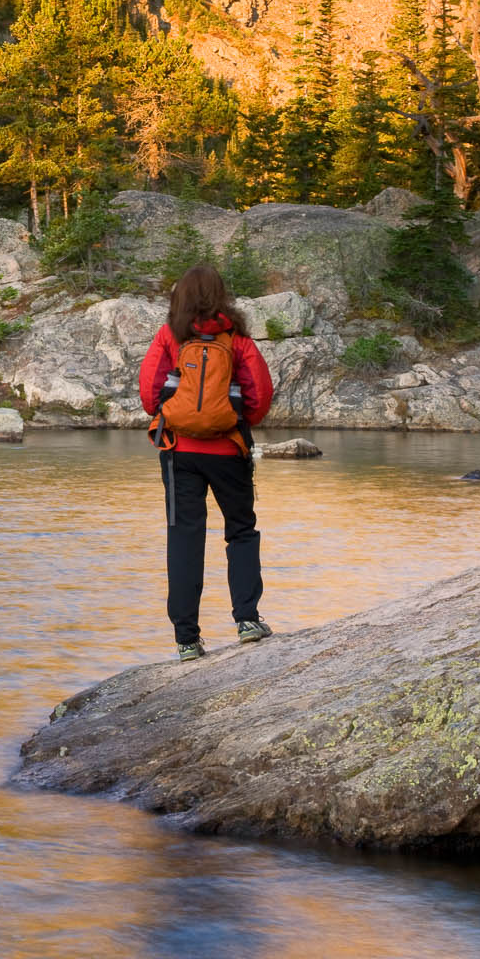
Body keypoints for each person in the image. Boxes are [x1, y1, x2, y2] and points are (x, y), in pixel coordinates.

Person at [138, 263, 275, 661]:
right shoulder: (237, 340)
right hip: (229, 449)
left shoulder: (170, 336)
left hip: (179, 451)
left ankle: (186, 641)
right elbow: (259, 399)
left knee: (184, 537)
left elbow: (150, 395)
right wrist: (234, 421)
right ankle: (247, 620)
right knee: (242, 530)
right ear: (221, 295)